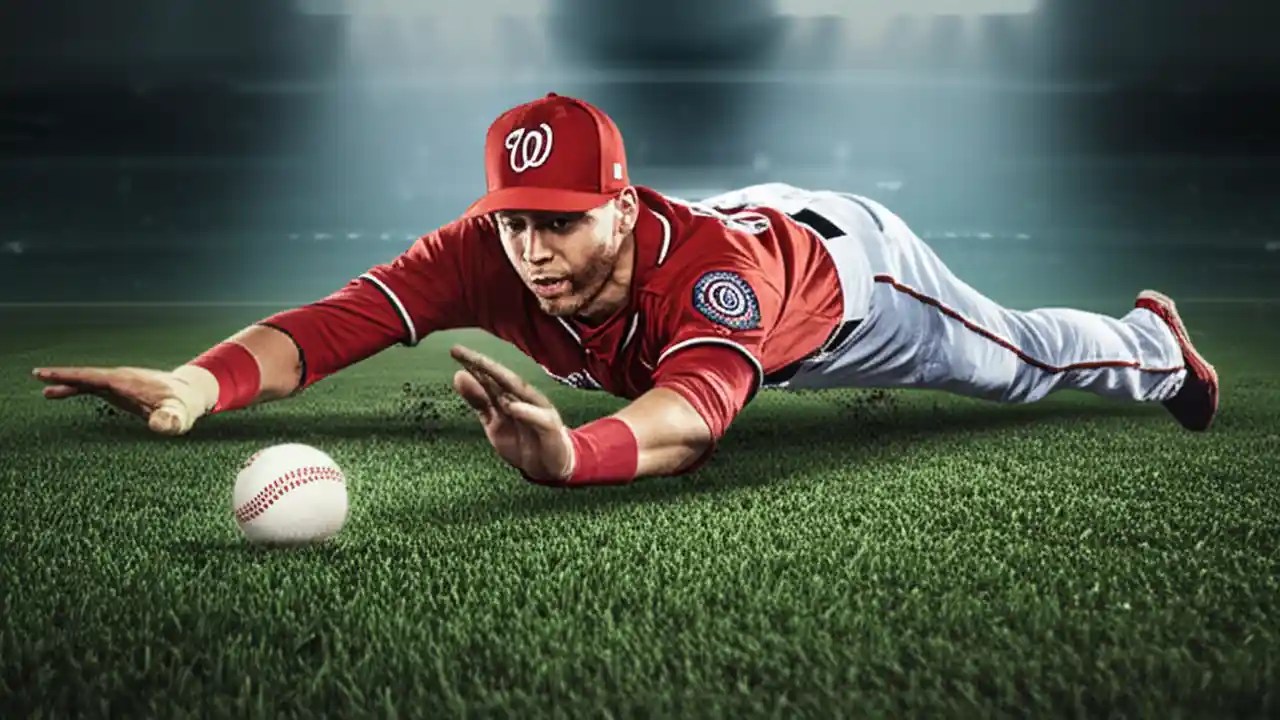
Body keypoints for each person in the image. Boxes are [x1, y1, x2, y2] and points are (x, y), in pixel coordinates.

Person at [31, 93, 1219, 488]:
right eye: (512, 221)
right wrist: (200, 379)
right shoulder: (486, 249)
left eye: (557, 221)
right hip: (748, 236)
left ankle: (1153, 346)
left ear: (618, 203)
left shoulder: (714, 279)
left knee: (1013, 363)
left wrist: (577, 455)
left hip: (845, 278)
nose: (530, 247)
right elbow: (330, 329)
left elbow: (693, 416)